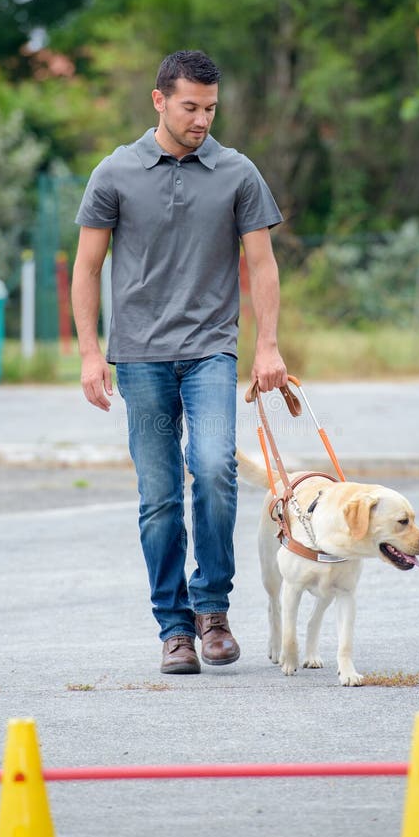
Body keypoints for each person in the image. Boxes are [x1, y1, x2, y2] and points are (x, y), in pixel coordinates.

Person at [71, 49, 287, 675]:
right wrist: (90, 353)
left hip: (210, 350)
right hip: (139, 357)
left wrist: (267, 345)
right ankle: (174, 628)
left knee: (216, 468)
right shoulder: (114, 172)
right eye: (190, 107)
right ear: (159, 100)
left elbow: (262, 264)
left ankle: (212, 609)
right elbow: (86, 268)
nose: (202, 119)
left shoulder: (238, 172)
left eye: (211, 108)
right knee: (160, 496)